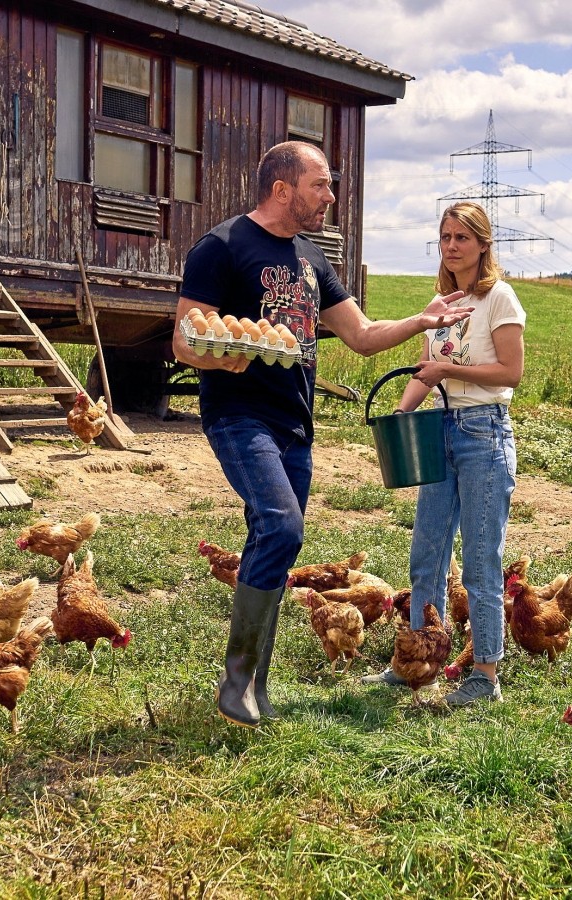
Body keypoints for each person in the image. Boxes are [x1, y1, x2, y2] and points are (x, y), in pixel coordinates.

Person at [173, 141, 474, 728]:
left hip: (295, 423)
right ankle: (237, 681)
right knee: (281, 525)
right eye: (321, 185)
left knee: (280, 542)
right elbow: (186, 340)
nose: (330, 197)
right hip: (240, 415)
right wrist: (221, 358)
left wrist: (421, 319)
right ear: (282, 188)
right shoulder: (223, 247)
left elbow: (360, 334)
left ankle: (255, 685)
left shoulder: (312, 258)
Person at [359, 201, 524, 708]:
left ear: (482, 244)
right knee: (426, 553)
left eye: (462, 238)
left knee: (478, 560)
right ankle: (417, 659)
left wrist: (447, 375)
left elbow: (509, 373)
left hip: (484, 435)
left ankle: (484, 675)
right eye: (445, 237)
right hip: (439, 430)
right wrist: (398, 413)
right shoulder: (440, 302)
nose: (452, 246)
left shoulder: (499, 298)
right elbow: (425, 369)